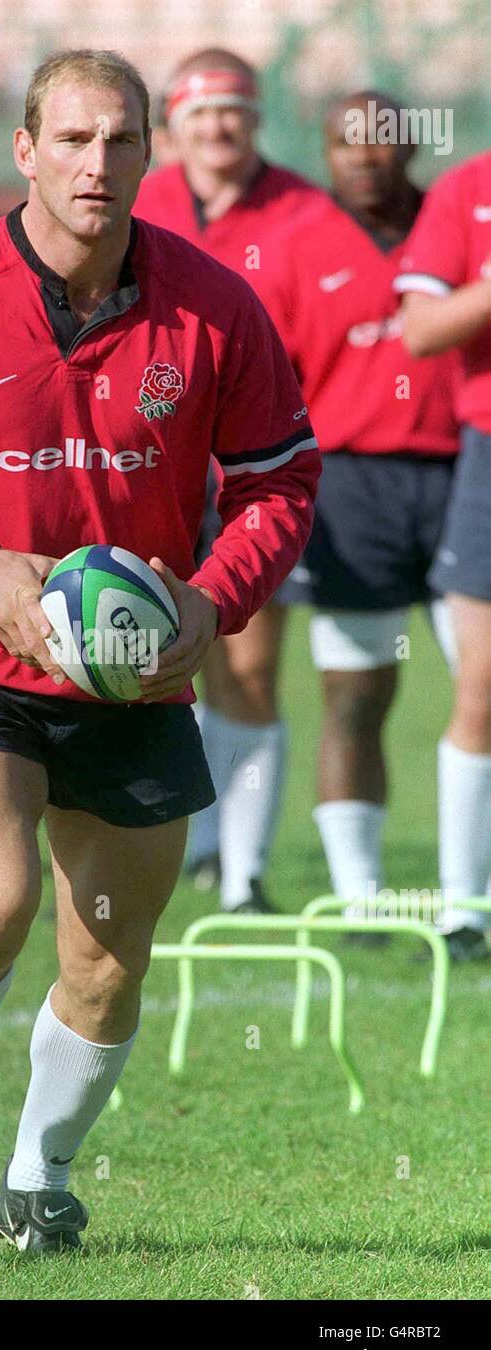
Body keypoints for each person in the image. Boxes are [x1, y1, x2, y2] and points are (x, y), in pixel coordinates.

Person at [0, 48, 320, 1261]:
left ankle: (40, 1174)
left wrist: (214, 596)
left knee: (104, 955)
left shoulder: (211, 304)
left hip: (137, 666)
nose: (96, 164)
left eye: (119, 140)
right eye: (72, 140)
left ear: (150, 152)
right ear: (24, 151)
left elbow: (280, 474)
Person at [260, 92, 460, 941]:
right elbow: (269, 389)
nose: (365, 158)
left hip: (464, 478)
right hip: (351, 489)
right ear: (326, 149)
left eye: (382, 142)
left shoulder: (456, 226)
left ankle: (463, 894)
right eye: (347, 143)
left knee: (479, 689)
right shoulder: (298, 245)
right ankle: (361, 897)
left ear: (411, 148)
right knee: (354, 697)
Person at [133, 48, 325, 911]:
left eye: (233, 112)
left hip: (251, 472)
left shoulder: (305, 213)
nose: (217, 128)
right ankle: (188, 847)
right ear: (170, 125)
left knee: (246, 666)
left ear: (256, 121)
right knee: (144, 654)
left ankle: (241, 872)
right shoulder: (132, 200)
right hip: (147, 468)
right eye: (201, 112)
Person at [396, 149, 491, 961]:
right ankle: (463, 909)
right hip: (485, 458)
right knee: (481, 685)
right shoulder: (468, 188)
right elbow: (420, 329)